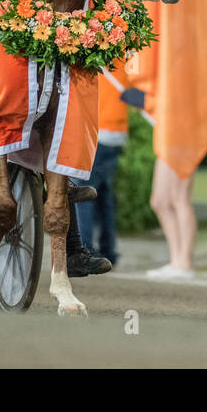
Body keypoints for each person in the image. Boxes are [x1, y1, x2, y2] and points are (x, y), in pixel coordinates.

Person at [77, 58, 139, 266]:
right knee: (102, 193)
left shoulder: (99, 51)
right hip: (116, 132)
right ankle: (108, 249)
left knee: (82, 190)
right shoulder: (126, 55)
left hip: (98, 131)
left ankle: (85, 249)